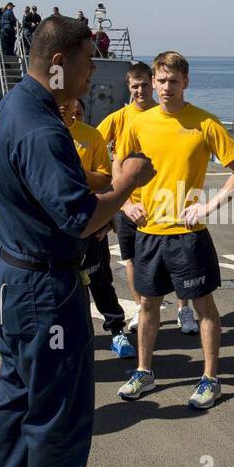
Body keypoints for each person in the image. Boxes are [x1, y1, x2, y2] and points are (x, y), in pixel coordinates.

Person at [0, 15, 154, 467]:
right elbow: (80, 217)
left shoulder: (14, 108)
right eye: (86, 62)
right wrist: (125, 182)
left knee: (16, 393)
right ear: (58, 64)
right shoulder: (41, 126)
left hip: (11, 279)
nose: (91, 73)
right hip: (43, 290)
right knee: (59, 403)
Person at [114, 51, 234, 410]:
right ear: (152, 82)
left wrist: (209, 205)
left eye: (174, 81)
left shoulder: (204, 123)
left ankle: (210, 379)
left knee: (204, 307)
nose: (166, 87)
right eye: (161, 81)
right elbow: (118, 163)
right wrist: (125, 203)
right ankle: (144, 371)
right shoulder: (139, 123)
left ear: (185, 82)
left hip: (188, 235)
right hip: (149, 232)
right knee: (147, 306)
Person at [97, 61, 198, 336]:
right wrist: (124, 202)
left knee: (178, 262)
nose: (140, 90)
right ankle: (143, 307)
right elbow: (99, 148)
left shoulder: (168, 113)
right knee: (132, 260)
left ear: (151, 83)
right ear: (128, 88)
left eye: (144, 84)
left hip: (165, 201)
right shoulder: (119, 118)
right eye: (135, 86)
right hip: (130, 205)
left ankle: (183, 308)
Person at [62, 95, 133, 357]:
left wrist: (72, 172)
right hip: (56, 231)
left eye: (77, 111)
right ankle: (68, 339)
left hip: (91, 224)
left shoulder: (91, 136)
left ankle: (117, 330)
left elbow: (104, 181)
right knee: (63, 289)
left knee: (100, 281)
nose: (70, 111)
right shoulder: (41, 134)